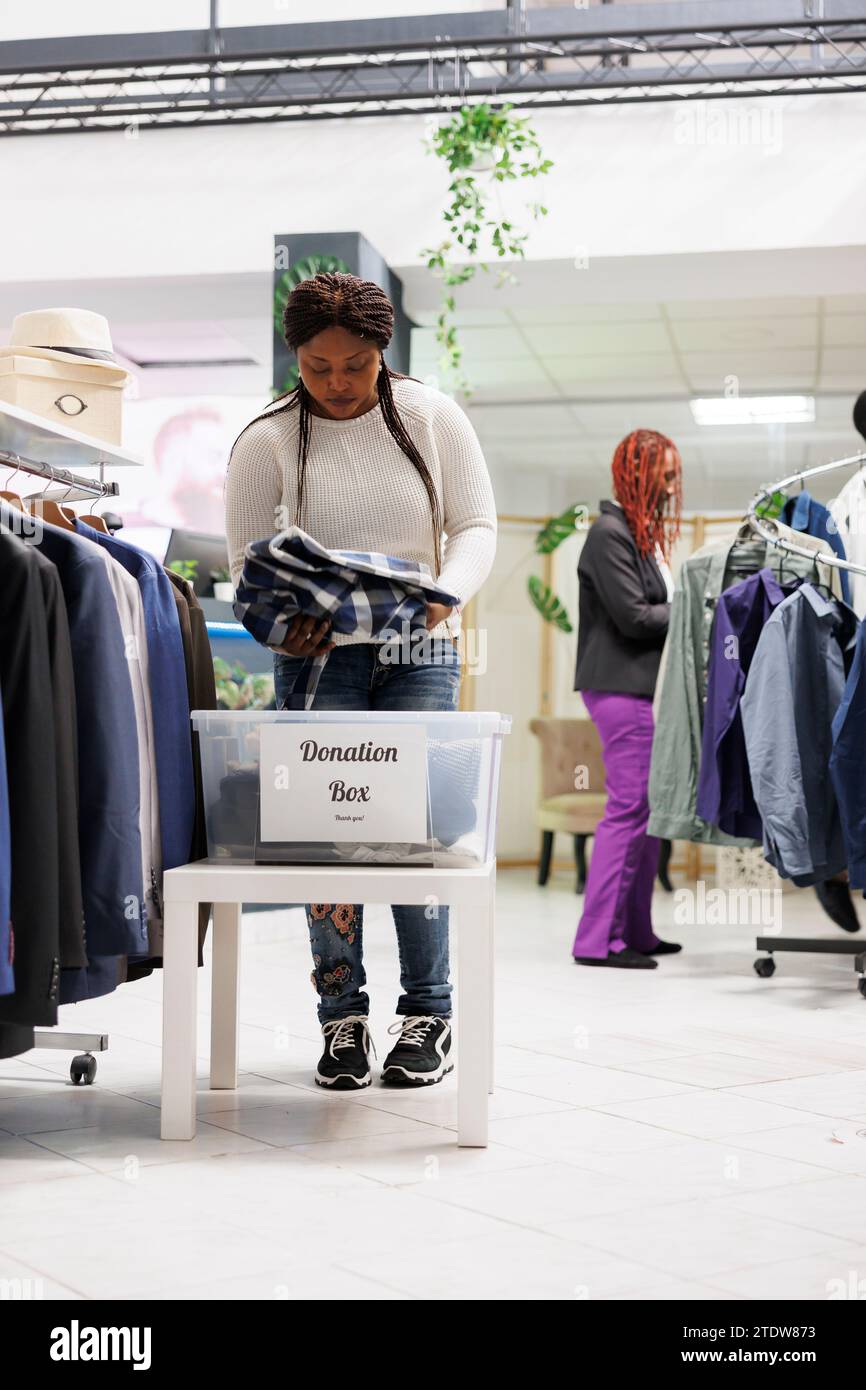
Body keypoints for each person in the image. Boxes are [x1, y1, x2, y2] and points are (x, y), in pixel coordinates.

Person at [225, 272, 496, 1087]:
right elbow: (247, 567)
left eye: (356, 365)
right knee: (327, 840)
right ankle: (342, 1021)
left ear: (384, 352)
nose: (338, 384)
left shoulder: (432, 417)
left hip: (421, 646)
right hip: (315, 657)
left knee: (414, 834)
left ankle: (428, 1017)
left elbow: (474, 524)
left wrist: (447, 595)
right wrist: (282, 621)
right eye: (317, 367)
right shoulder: (264, 440)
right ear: (295, 359)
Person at [571, 429, 682, 970]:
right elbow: (635, 618)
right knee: (628, 809)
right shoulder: (609, 533)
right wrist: (693, 608)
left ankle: (637, 930)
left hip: (635, 688)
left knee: (647, 810)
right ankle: (599, 942)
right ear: (638, 473)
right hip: (616, 687)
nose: (672, 485)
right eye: (666, 473)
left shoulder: (636, 536)